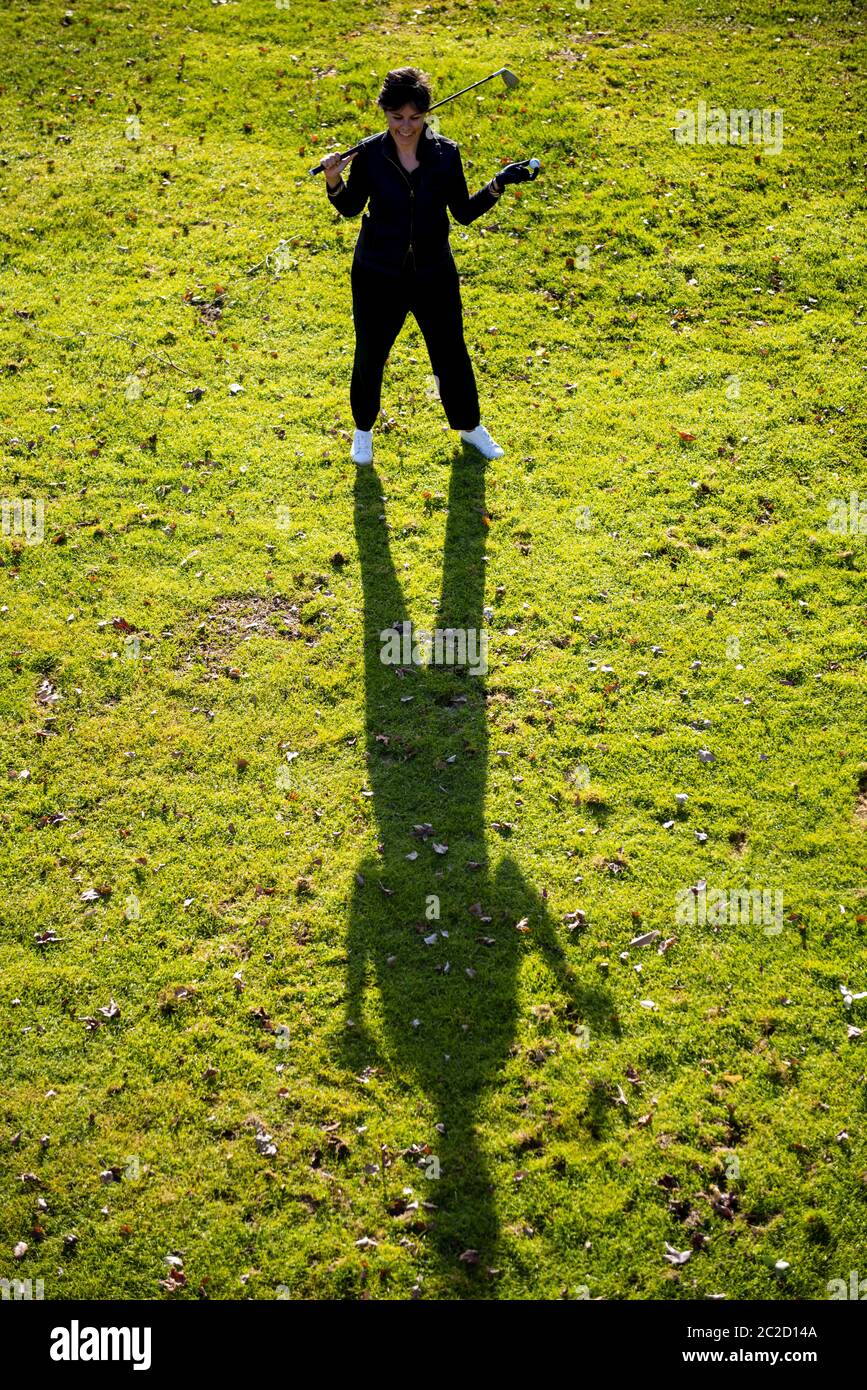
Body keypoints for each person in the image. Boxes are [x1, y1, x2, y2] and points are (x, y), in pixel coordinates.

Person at [321, 66, 540, 465]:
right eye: (396, 118)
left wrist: (497, 184)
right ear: (385, 113)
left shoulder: (446, 154)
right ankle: (363, 431)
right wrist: (334, 180)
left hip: (432, 271)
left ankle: (470, 427)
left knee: (450, 352)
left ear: (427, 113)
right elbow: (351, 208)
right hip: (376, 271)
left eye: (415, 118)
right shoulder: (369, 155)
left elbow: (463, 213)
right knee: (370, 351)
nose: (406, 127)